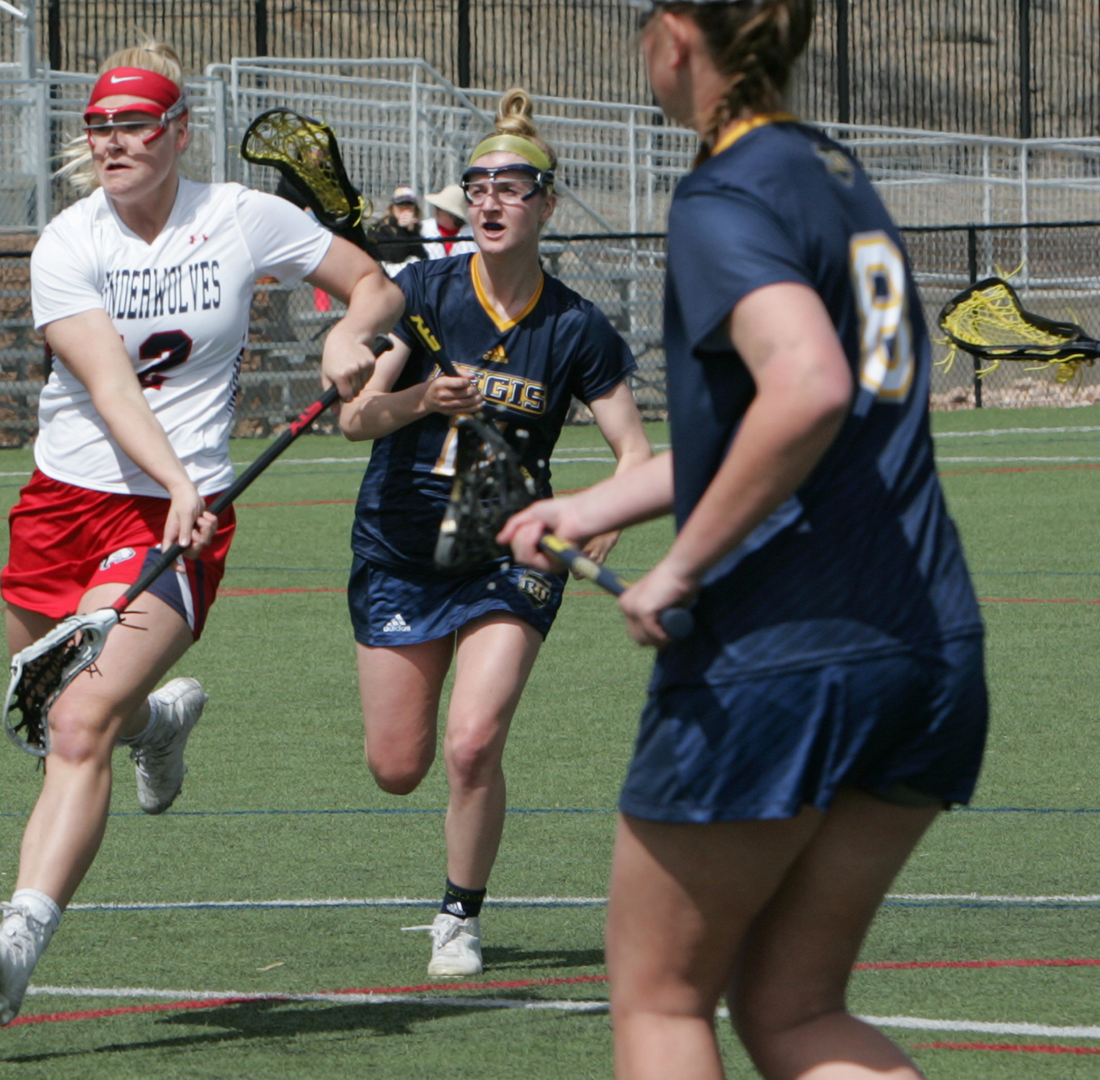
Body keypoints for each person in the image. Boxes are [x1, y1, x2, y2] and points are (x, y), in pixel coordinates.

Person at [500, 3, 986, 1077]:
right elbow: (804, 415)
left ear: (677, 35)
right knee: (795, 1010)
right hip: (928, 647)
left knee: (664, 1004)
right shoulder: (830, 169)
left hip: (785, 651)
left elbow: (806, 389)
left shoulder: (726, 190)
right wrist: (599, 507)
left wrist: (680, 564)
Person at [0, 42, 401, 1027]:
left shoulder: (240, 217)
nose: (112, 142)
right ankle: (162, 722)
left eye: (133, 125)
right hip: (65, 504)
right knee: (47, 704)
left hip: (175, 521)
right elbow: (108, 388)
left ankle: (19, 943)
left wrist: (345, 334)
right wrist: (175, 474)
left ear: (178, 131)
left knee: (72, 722)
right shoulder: (66, 244)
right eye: (99, 127)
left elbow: (374, 281)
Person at [340, 88, 651, 979]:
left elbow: (635, 454)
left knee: (473, 742)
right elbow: (356, 421)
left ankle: (458, 914)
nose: (489, 200)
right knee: (398, 767)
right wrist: (416, 399)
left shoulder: (575, 327)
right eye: (476, 185)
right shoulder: (426, 292)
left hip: (506, 548)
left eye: (512, 186)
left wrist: (608, 514)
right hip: (400, 550)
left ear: (546, 204)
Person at [370, 185, 427, 275]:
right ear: (393, 208)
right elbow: (396, 258)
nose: (404, 208)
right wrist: (402, 229)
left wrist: (411, 232)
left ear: (415, 209)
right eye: (400, 204)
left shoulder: (417, 228)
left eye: (409, 204)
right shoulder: (379, 229)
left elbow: (424, 258)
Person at [420, 182, 476, 260]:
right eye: (436, 206)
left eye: (440, 208)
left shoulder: (472, 234)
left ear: (453, 215)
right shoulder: (423, 229)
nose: (436, 210)